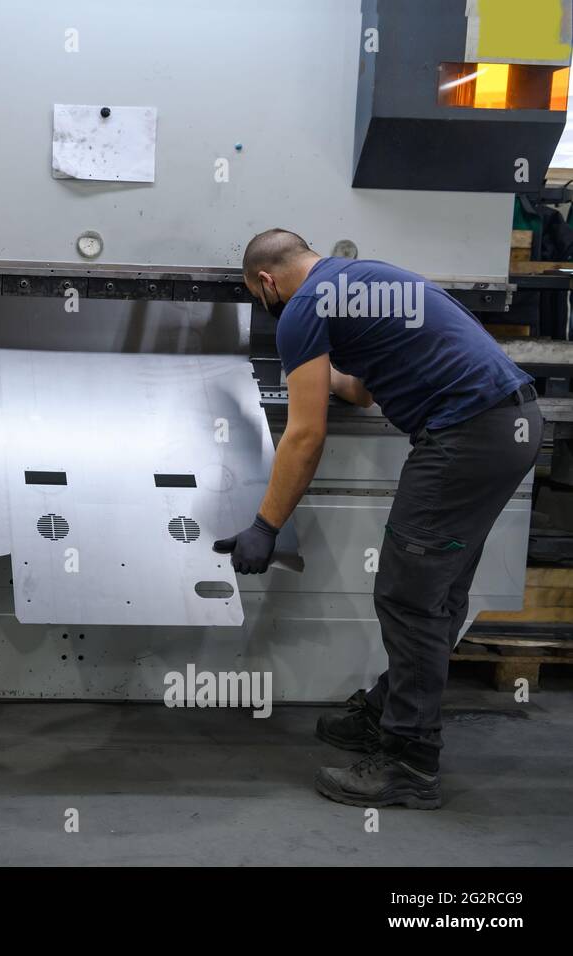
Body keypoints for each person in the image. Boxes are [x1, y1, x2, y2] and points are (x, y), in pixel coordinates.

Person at [216, 229, 541, 809]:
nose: (270, 309)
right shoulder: (363, 278)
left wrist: (265, 525)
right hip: (510, 425)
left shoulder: (303, 307)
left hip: (465, 435)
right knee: (435, 593)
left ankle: (409, 763)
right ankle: (387, 710)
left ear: (267, 281)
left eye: (263, 299)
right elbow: (363, 391)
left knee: (408, 596)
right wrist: (313, 374)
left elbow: (306, 433)